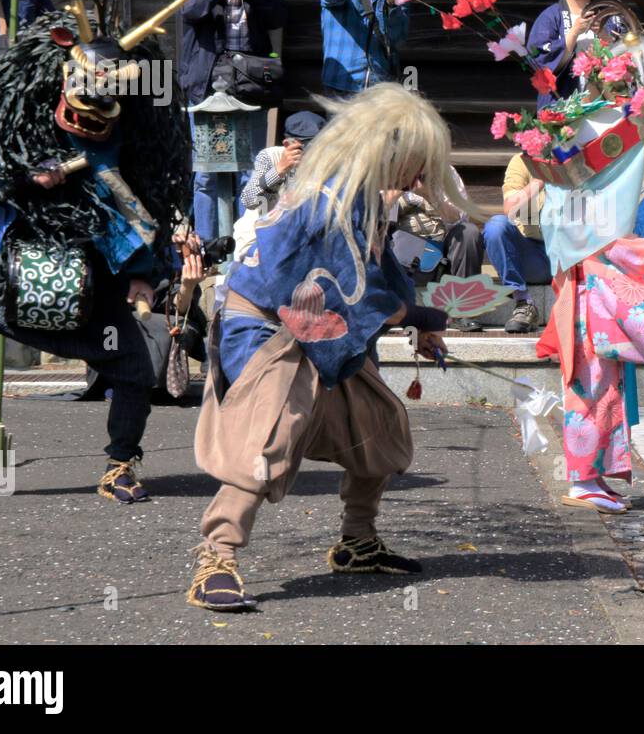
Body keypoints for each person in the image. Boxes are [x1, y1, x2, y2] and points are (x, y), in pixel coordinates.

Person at [0, 0, 192, 503]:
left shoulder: (132, 144)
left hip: (92, 273)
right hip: (10, 260)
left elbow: (146, 209)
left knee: (134, 366)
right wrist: (26, 177)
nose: (91, 116)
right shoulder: (24, 122)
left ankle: (120, 464)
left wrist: (142, 276)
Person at [187, 83, 462, 612]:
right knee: (269, 437)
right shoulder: (331, 192)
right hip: (267, 323)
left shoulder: (367, 197)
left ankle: (358, 542)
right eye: (416, 162)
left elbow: (380, 271)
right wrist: (423, 316)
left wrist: (420, 324)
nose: (419, 175)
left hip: (319, 324)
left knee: (377, 425)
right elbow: (356, 291)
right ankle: (216, 555)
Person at [176, 0, 287, 240]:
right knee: (206, 175)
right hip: (208, 84)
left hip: (250, 83)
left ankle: (247, 243)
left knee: (250, 170)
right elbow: (189, 12)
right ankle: (206, 247)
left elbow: (278, 18)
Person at [385, 167, 486, 331]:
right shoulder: (390, 169)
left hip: (441, 247)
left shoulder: (446, 171)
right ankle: (386, 309)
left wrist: (429, 195)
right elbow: (377, 217)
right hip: (402, 249)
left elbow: (459, 217)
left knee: (468, 232)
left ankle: (464, 312)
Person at [525, 0, 623, 109]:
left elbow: (629, 59)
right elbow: (539, 63)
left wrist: (604, 36)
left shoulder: (609, 16)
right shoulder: (550, 18)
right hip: (564, 107)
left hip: (607, 105)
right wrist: (573, 33)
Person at [485, 153, 553, 333]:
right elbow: (510, 207)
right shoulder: (521, 161)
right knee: (496, 226)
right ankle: (523, 303)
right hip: (535, 256)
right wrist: (540, 179)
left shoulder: (576, 157)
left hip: (569, 253)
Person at [239, 110, 326, 215]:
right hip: (267, 225)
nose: (313, 151)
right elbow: (248, 201)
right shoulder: (270, 156)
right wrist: (278, 171)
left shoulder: (329, 160)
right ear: (287, 144)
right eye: (306, 145)